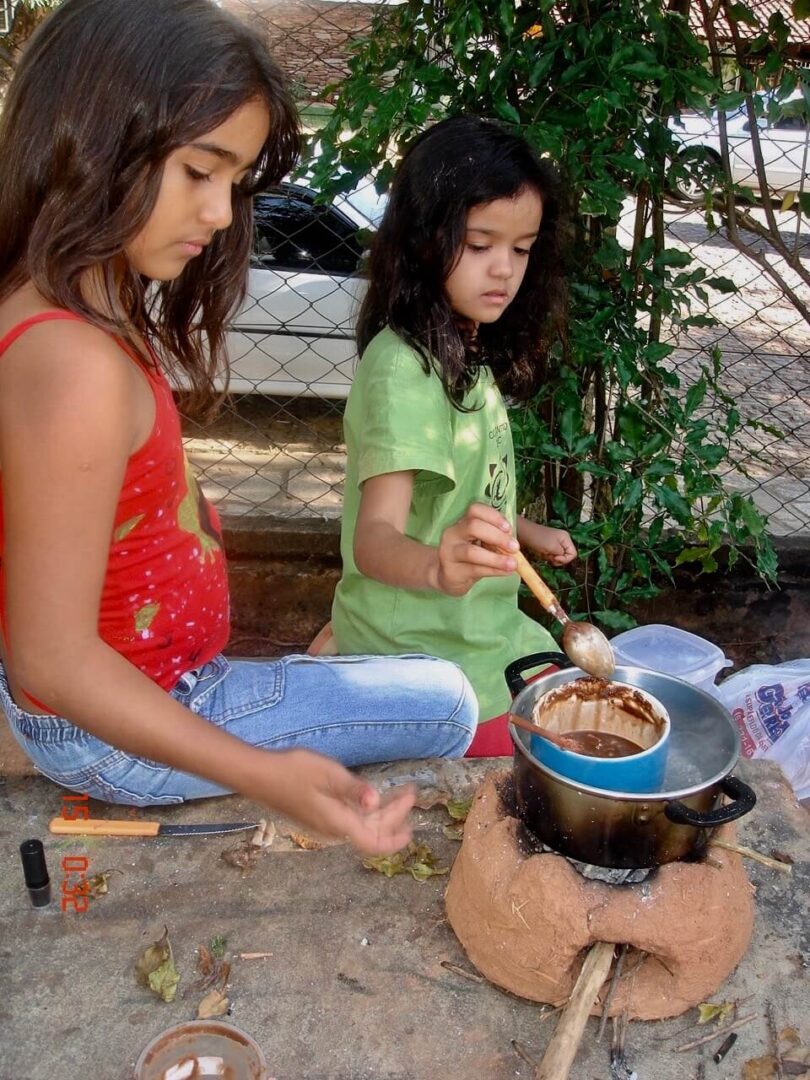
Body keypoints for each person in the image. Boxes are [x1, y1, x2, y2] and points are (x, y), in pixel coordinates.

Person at [0, 0, 478, 856]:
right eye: (199, 171)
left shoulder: (57, 307)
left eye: (235, 180)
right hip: (128, 721)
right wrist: (265, 773)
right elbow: (52, 659)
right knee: (448, 699)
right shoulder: (75, 367)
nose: (222, 213)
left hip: (130, 690)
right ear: (95, 138)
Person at [331, 116, 576, 756]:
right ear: (423, 241)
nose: (504, 270)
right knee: (568, 748)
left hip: (478, 626)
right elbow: (374, 538)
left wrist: (523, 530)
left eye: (521, 249)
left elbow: (457, 498)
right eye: (479, 244)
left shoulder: (463, 346)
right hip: (421, 651)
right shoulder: (404, 370)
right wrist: (438, 569)